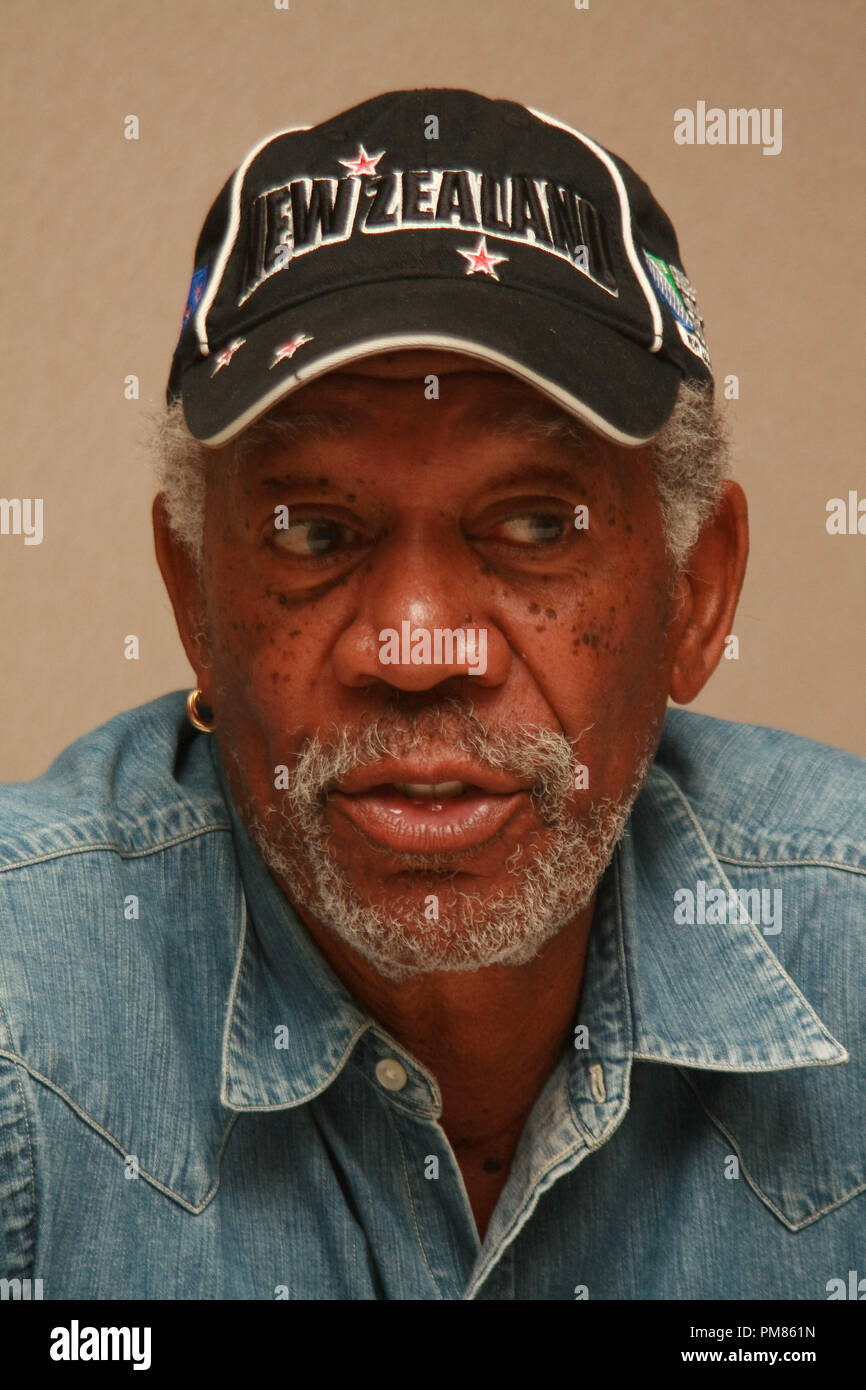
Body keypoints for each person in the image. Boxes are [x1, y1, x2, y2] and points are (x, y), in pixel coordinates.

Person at [1, 88, 863, 1302]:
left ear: (696, 593)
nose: (415, 645)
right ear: (194, 600)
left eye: (530, 523)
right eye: (315, 529)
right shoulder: (22, 1025)